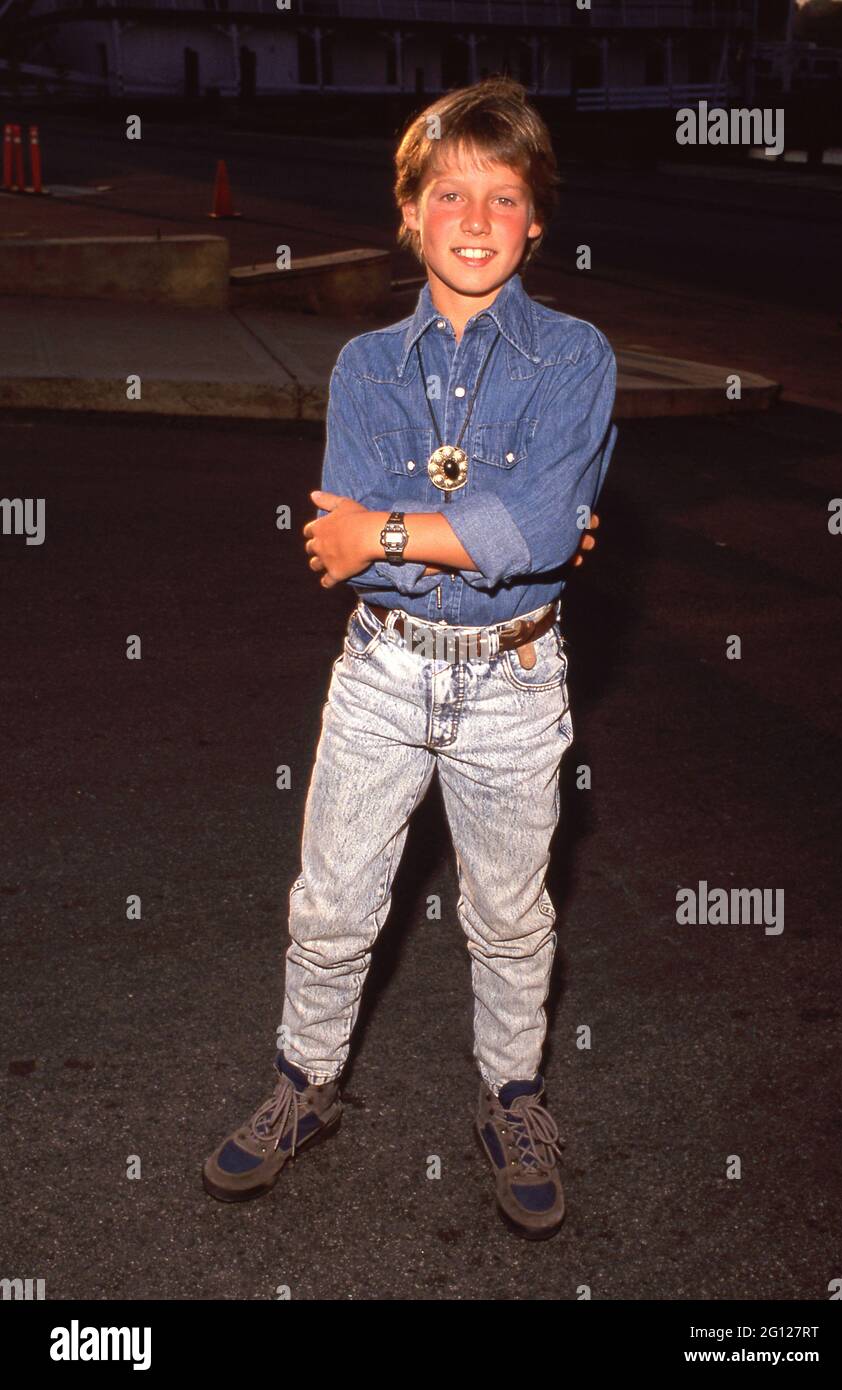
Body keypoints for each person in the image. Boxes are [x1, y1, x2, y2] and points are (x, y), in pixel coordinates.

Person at [202, 76, 618, 1241]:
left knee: (508, 912)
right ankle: (304, 1085)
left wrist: (390, 529)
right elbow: (481, 542)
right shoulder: (363, 368)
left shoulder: (574, 357)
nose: (475, 218)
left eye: (503, 195)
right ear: (408, 213)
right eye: (449, 194)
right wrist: (504, 529)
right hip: (381, 672)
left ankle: (513, 1098)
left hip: (514, 683)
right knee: (333, 899)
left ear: (536, 219)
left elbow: (503, 538)